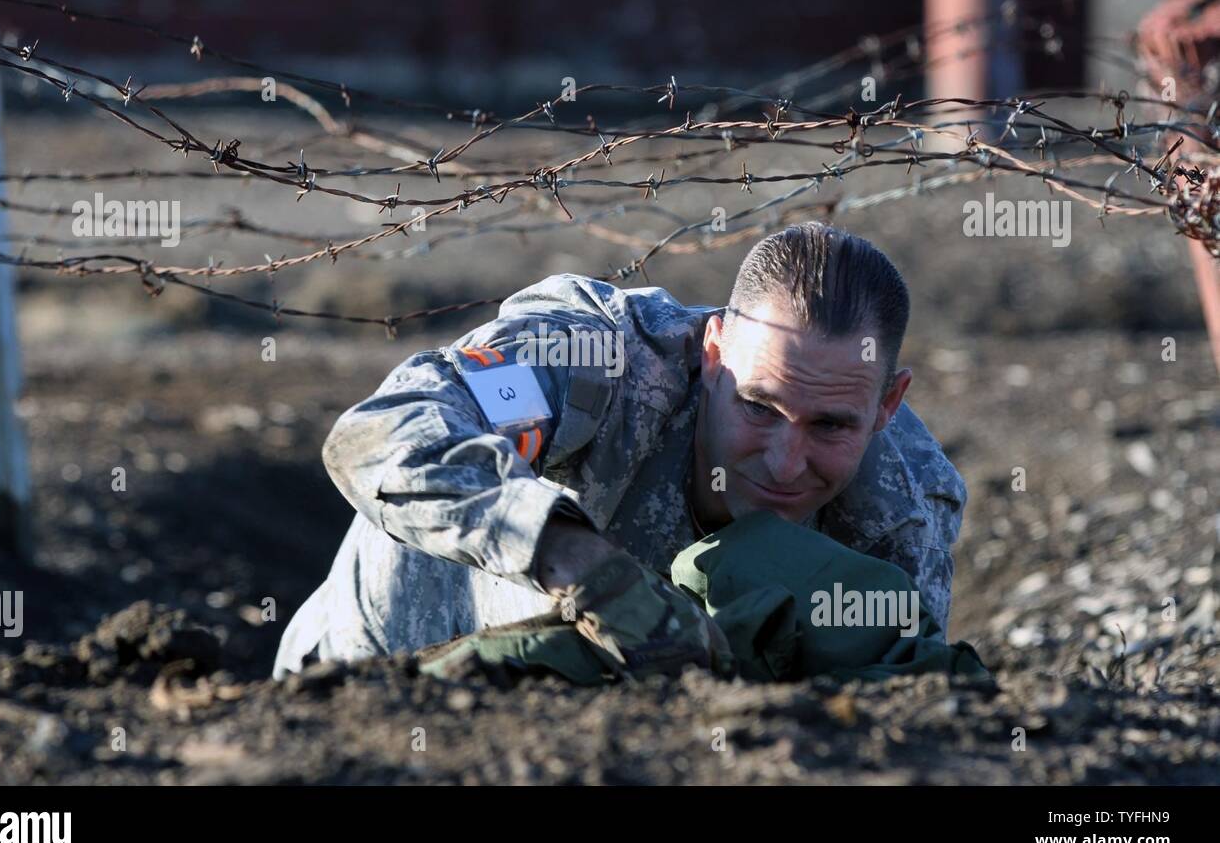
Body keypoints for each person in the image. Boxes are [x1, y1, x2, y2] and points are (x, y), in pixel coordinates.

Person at [273, 222, 968, 680]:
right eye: (758, 407)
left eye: (830, 428)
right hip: (359, 695)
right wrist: (575, 558)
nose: (786, 463)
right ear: (714, 354)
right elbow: (386, 432)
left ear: (887, 405)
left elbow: (890, 710)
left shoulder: (899, 512)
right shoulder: (589, 368)